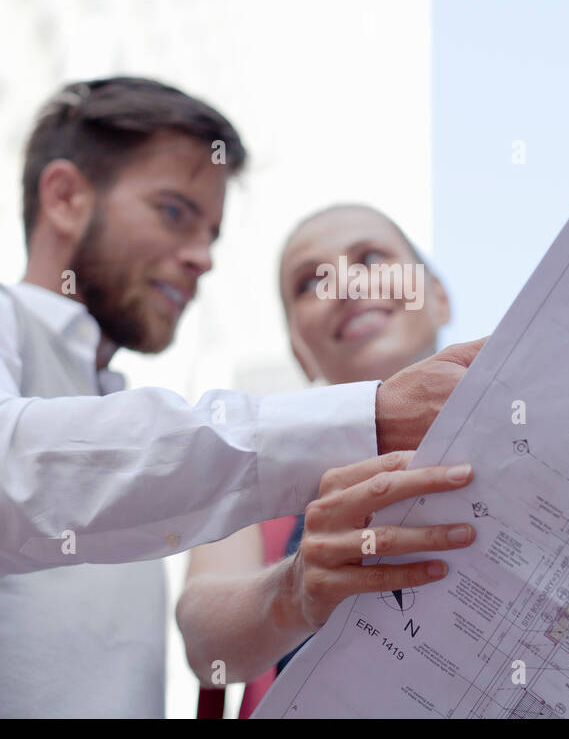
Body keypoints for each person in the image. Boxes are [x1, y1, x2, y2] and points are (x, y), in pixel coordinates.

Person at [0, 78, 481, 717]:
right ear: (67, 197)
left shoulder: (137, 453)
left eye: (211, 233)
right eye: (175, 212)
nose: (202, 256)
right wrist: (367, 417)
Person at [177, 204, 467, 711]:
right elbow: (204, 639)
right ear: (298, 349)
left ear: (438, 298)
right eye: (310, 283)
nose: (345, 286)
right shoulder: (256, 479)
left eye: (372, 257)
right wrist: (293, 591)